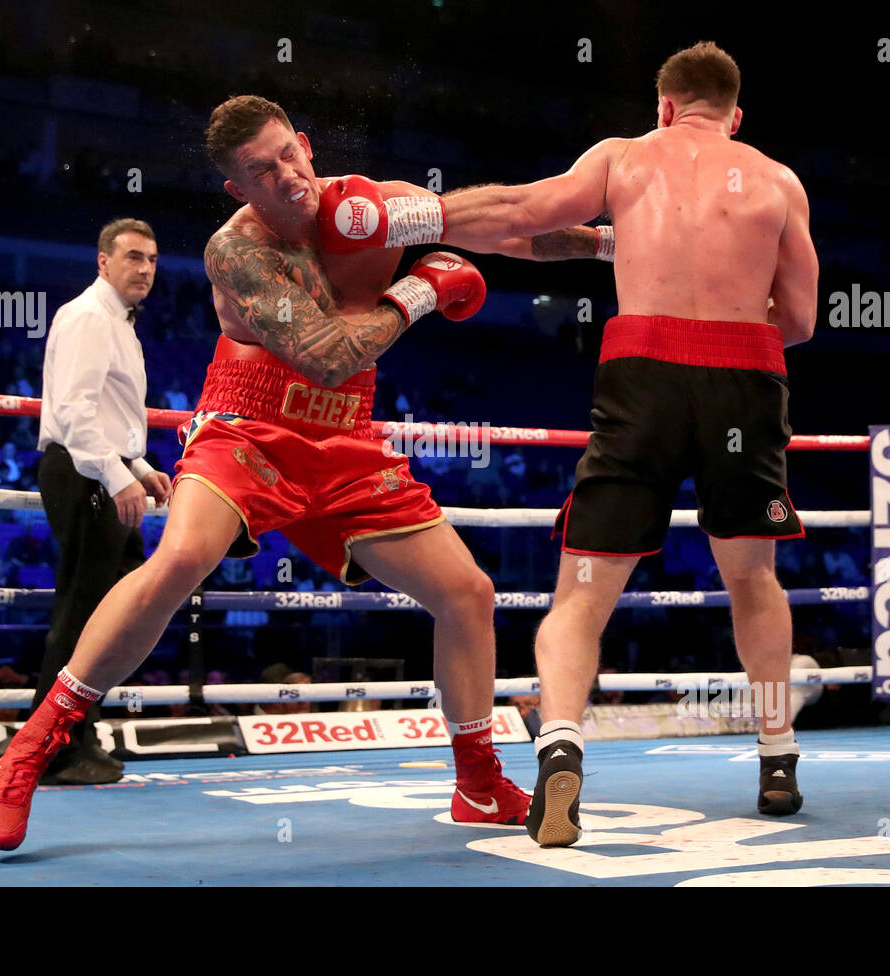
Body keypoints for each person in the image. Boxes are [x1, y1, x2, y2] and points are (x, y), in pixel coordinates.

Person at [0, 94, 606, 851]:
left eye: (287, 156)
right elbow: (327, 352)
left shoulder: (379, 211)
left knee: (467, 592)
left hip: (346, 437)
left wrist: (606, 248)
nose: (285, 176)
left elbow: (504, 224)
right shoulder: (235, 251)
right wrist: (419, 292)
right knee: (180, 558)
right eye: (260, 172)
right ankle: (30, 750)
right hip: (251, 427)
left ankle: (476, 782)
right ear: (240, 188)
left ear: (305, 146)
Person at [320, 42, 819, 845]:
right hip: (745, 378)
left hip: (641, 375)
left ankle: (560, 748)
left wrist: (418, 215)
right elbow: (798, 320)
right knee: (753, 579)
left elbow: (522, 213)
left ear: (663, 107)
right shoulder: (777, 179)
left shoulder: (626, 157)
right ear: (736, 115)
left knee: (583, 593)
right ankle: (778, 757)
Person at [32, 217, 174, 785]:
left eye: (153, 260)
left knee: (109, 616)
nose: (144, 268)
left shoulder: (118, 323)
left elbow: (108, 419)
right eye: (134, 257)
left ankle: (80, 736)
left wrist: (138, 468)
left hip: (104, 472)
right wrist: (117, 478)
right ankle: (54, 751)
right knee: (80, 616)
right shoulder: (89, 317)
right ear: (104, 262)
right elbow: (75, 413)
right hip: (85, 474)